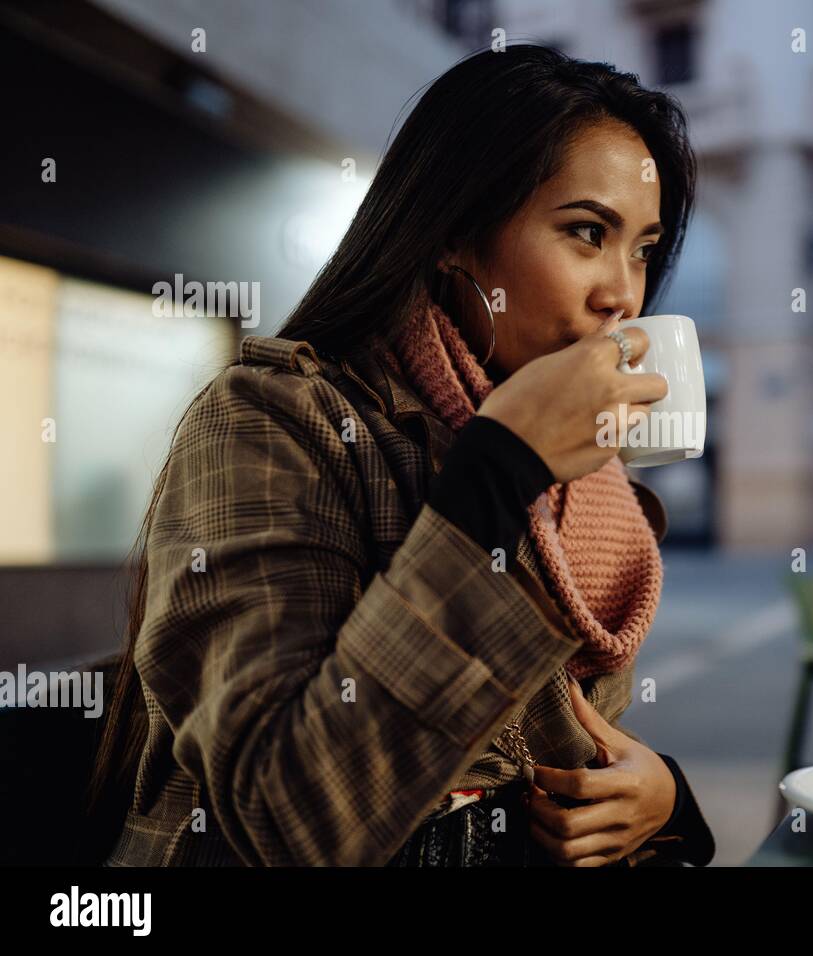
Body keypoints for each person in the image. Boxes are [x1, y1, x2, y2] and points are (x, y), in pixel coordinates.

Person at [85, 43, 714, 868]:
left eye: (641, 248)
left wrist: (665, 800)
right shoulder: (271, 423)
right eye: (587, 233)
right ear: (456, 233)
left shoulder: (586, 486)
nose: (623, 294)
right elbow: (289, 818)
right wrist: (499, 470)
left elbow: (564, 756)